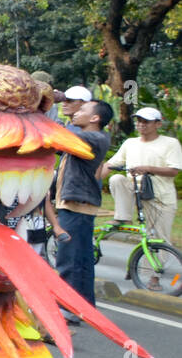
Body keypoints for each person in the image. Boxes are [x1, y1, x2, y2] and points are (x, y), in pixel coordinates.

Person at [44, 99, 113, 322]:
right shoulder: (87, 138)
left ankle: (68, 308)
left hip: (77, 206)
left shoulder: (94, 138)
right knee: (81, 260)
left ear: (95, 118)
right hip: (78, 205)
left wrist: (47, 109)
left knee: (69, 259)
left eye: (82, 109)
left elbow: (58, 134)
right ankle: (84, 308)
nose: (76, 112)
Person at [98, 106, 181, 243]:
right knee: (117, 179)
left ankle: (155, 258)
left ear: (158, 124)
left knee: (158, 239)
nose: (141, 124)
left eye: (146, 121)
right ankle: (123, 217)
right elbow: (111, 164)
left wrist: (148, 168)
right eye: (139, 121)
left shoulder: (170, 143)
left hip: (160, 197)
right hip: (135, 191)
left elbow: (173, 170)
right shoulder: (130, 143)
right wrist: (92, 181)